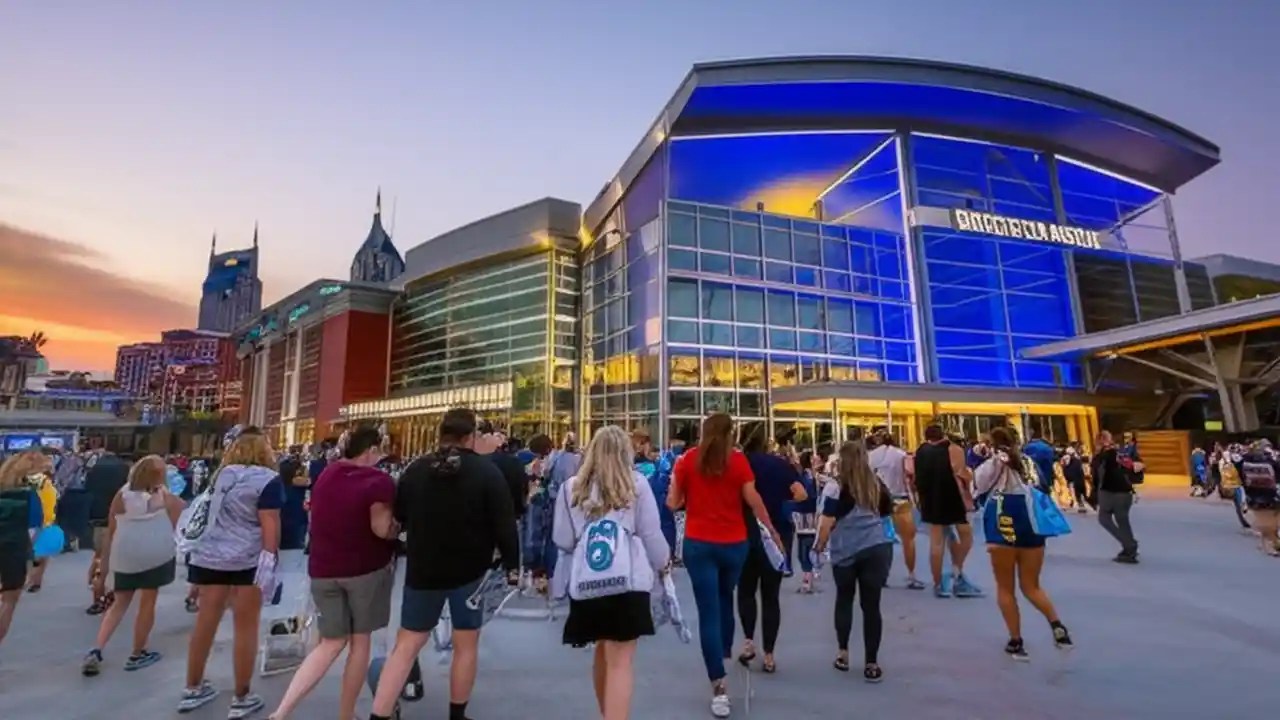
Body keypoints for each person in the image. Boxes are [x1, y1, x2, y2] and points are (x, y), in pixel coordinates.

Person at [368, 408, 519, 720]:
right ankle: (457, 713)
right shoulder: (487, 473)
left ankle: (379, 712)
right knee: (466, 644)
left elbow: (400, 517)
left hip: (424, 569)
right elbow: (505, 525)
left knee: (407, 644)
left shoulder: (416, 470)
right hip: (471, 571)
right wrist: (512, 565)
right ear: (470, 437)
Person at [269, 427, 398, 720]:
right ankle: (345, 713)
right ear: (370, 451)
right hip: (365, 570)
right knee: (359, 642)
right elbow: (381, 528)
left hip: (323, 569)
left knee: (329, 643)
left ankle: (282, 711)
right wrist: (398, 532)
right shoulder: (379, 481)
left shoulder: (327, 474)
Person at [668, 413, 783, 719]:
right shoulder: (738, 461)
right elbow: (753, 499)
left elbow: (672, 501)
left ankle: (718, 684)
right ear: (731, 433)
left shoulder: (687, 460)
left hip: (698, 543)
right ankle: (724, 650)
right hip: (734, 543)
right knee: (725, 596)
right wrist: (772, 530)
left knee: (708, 610)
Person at [554, 425, 669, 720]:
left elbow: (563, 539)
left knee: (603, 651)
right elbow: (651, 533)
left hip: (587, 579)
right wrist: (663, 563)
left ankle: (607, 712)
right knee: (621, 660)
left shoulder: (572, 487)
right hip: (627, 581)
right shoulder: (636, 484)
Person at [179, 430, 284, 718]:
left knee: (205, 622)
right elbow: (270, 525)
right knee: (246, 627)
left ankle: (192, 687)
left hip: (210, 557)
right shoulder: (267, 480)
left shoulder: (220, 476)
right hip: (247, 559)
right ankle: (241, 695)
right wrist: (270, 561)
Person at [974, 427, 1073, 661]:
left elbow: (979, 485)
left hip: (1002, 520)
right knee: (1032, 586)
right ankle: (1057, 625)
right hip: (1030, 523)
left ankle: (1016, 641)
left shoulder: (992, 463)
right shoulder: (1029, 463)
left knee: (1005, 587)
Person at [82, 455, 184, 676]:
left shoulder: (123, 494)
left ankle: (97, 649)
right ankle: (138, 652)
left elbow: (112, 529)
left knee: (119, 604)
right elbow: (177, 521)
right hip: (155, 554)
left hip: (126, 554)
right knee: (147, 603)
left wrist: (105, 566)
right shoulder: (163, 497)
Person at [813, 441, 894, 682]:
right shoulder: (876, 484)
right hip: (876, 547)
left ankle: (843, 653)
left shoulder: (835, 487)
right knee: (872, 607)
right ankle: (872, 662)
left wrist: (819, 546)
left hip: (845, 551)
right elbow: (887, 512)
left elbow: (826, 522)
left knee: (844, 600)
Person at [736, 427, 806, 673]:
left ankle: (748, 642)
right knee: (770, 595)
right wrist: (781, 501)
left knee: (745, 590)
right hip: (777, 532)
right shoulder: (780, 465)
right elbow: (801, 494)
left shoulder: (740, 464)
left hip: (745, 532)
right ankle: (769, 654)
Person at [913, 425, 982, 598]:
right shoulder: (953, 450)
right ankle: (956, 572)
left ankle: (939, 585)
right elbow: (962, 474)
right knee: (965, 535)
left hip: (930, 499)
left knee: (937, 543)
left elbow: (916, 478)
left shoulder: (920, 452)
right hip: (951, 497)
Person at [0, 450, 50, 652]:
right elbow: (34, 531)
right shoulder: (31, 497)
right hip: (13, 551)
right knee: (8, 602)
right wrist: (36, 561)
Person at [868, 433, 923, 589]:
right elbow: (910, 474)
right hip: (901, 498)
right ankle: (912, 575)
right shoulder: (902, 455)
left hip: (879, 501)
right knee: (908, 540)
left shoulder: (871, 456)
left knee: (882, 540)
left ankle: (882, 575)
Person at [84, 450, 130, 614]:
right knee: (114, 559)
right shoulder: (124, 468)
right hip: (119, 518)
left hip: (98, 515)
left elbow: (87, 487)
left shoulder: (95, 469)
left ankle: (97, 593)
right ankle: (108, 592)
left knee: (99, 556)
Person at [1090, 431, 1139, 563]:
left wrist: (1094, 495)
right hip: (1126, 492)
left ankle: (1129, 544)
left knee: (1104, 518)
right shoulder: (1121, 453)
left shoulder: (1101, 457)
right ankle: (1129, 547)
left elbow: (1098, 477)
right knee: (1123, 521)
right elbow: (1136, 467)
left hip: (1109, 491)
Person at [1237, 440, 1280, 556]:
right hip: (1265, 496)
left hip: (1257, 496)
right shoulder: (1271, 461)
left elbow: (1241, 474)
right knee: (1269, 523)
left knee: (1268, 523)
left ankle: (1271, 544)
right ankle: (1270, 545)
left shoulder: (1244, 461)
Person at [791, 451, 821, 593]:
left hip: (805, 515)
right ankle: (808, 576)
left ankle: (807, 579)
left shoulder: (806, 477)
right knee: (806, 547)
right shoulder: (811, 476)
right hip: (808, 515)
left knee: (804, 549)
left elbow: (806, 495)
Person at [1061, 444, 1089, 514]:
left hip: (1073, 477)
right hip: (1078, 477)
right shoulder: (1076, 459)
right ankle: (1081, 504)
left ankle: (1080, 504)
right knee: (1080, 490)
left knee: (1077, 491)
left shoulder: (1067, 459)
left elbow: (1065, 468)